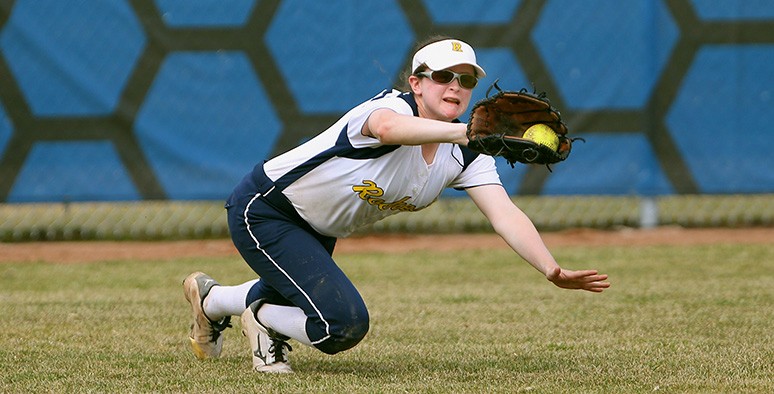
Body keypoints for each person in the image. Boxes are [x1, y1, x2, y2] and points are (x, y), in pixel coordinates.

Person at [183, 36, 610, 373]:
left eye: (467, 80)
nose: (455, 87)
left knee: (300, 292)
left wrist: (550, 269)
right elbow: (388, 129)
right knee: (342, 323)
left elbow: (505, 215)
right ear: (417, 83)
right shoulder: (388, 109)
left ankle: (211, 300)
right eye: (444, 76)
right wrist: (465, 134)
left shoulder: (466, 151)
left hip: (318, 228)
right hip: (267, 208)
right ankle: (263, 320)